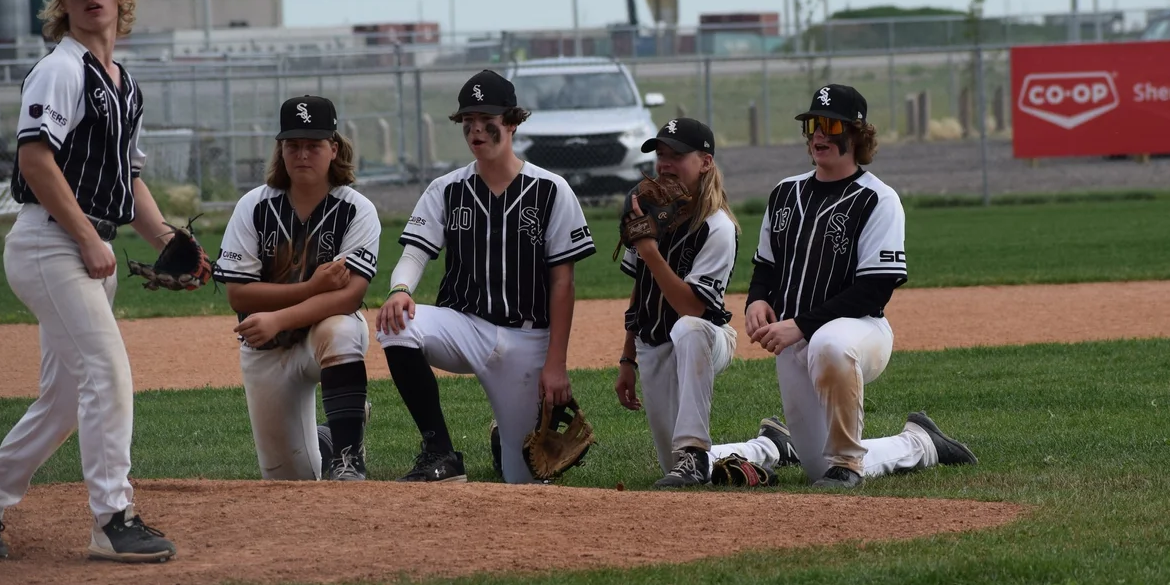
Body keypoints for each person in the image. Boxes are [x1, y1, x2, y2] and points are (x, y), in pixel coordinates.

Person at [0, 0, 179, 561]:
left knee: (66, 398)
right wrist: (85, 236)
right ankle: (112, 518)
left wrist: (168, 241)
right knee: (108, 373)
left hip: (82, 246)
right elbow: (34, 158)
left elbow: (128, 178)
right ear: (64, 4)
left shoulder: (124, 85)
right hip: (50, 242)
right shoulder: (60, 69)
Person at [738, 84, 977, 488]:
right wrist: (756, 300)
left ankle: (849, 465)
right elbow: (765, 266)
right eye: (813, 124)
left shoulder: (878, 199)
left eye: (830, 125)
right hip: (797, 341)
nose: (818, 134)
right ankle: (920, 443)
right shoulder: (784, 193)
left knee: (829, 345)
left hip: (859, 332)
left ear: (858, 135)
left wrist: (800, 324)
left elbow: (875, 288)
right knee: (817, 468)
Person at [378, 70, 595, 484]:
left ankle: (505, 443)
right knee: (397, 326)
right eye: (467, 121)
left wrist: (557, 365)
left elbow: (563, 284)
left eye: (486, 119)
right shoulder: (446, 189)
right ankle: (439, 449)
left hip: (528, 339)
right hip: (464, 325)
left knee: (526, 480)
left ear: (512, 122)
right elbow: (414, 253)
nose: (475, 129)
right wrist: (400, 289)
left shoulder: (552, 190)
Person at [212, 96, 380, 481]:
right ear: (281, 149)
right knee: (290, 481)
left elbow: (349, 295)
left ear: (333, 148)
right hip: (267, 350)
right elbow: (238, 294)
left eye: (314, 145)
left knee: (342, 328)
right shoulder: (254, 206)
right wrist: (311, 286)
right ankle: (330, 435)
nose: (303, 154)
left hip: (318, 336)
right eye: (293, 145)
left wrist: (279, 317)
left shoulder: (356, 209)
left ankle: (348, 456)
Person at [612, 119, 740, 487]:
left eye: (677, 156)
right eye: (661, 155)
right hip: (653, 344)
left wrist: (650, 252)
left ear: (705, 162)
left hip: (707, 337)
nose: (665, 164)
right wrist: (628, 357)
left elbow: (694, 309)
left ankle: (696, 451)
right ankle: (768, 447)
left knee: (688, 329)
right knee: (673, 464)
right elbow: (639, 290)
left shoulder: (717, 227)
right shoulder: (650, 212)